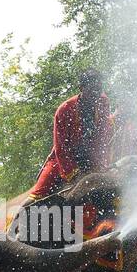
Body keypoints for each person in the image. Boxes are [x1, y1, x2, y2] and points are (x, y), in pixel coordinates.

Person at [26, 68, 114, 201]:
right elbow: (60, 146)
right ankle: (15, 219)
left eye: (99, 89)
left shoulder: (103, 102)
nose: (96, 95)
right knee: (38, 194)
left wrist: (101, 161)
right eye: (92, 90)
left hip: (92, 157)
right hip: (64, 159)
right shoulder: (64, 110)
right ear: (81, 88)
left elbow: (103, 135)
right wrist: (73, 173)